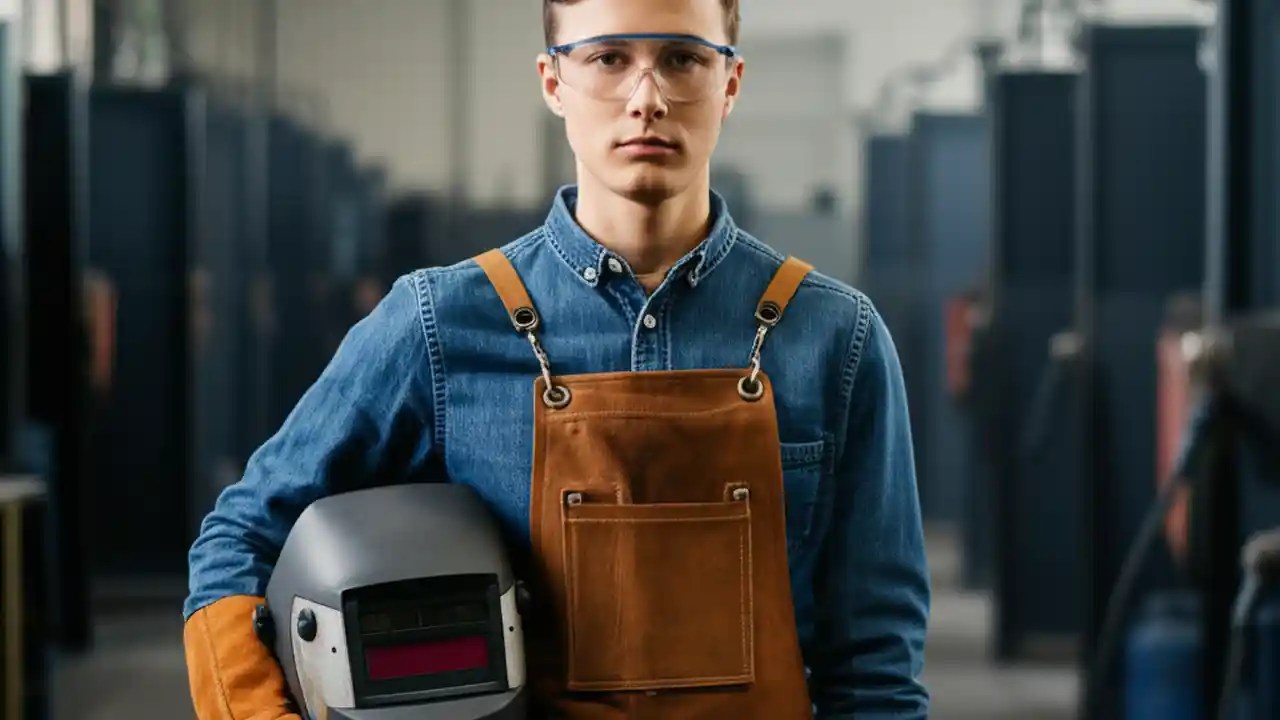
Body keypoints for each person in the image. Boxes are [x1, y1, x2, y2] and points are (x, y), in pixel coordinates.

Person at [182, 0, 931, 717]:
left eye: (681, 58)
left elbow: (875, 662)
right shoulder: (440, 327)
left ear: (729, 82)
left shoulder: (836, 339)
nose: (647, 97)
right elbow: (241, 538)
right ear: (553, 81)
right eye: (609, 57)